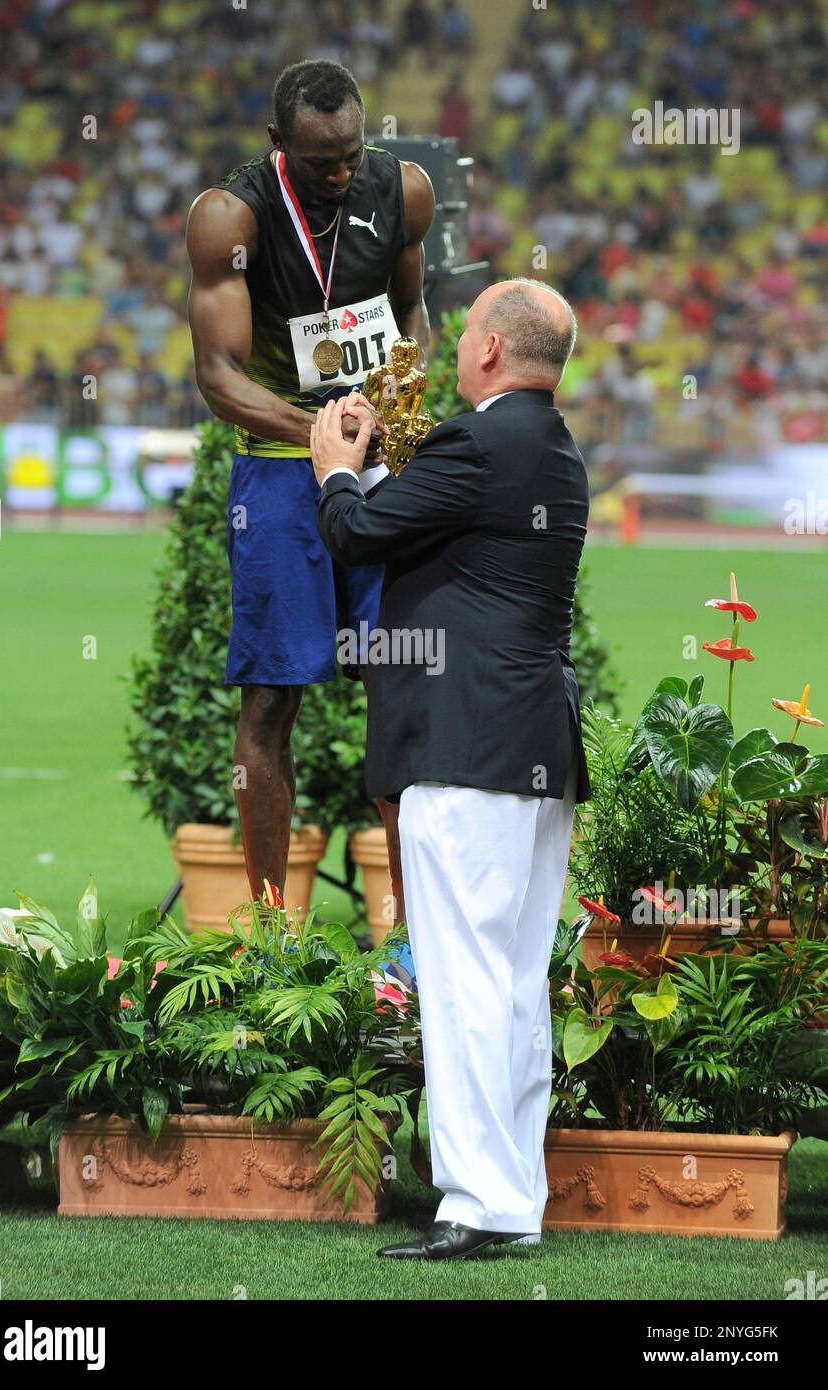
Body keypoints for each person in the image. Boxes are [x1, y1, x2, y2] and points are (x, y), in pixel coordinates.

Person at [310, 278, 592, 1261]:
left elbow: (355, 534)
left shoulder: (475, 441)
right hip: (532, 746)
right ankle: (510, 1199)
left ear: (486, 352)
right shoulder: (549, 447)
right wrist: (381, 472)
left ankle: (473, 1202)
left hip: (464, 745)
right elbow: (443, 533)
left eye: (466, 333)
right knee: (513, 981)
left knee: (468, 976)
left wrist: (334, 470)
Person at [185, 60, 435, 920]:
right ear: (277, 143)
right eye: (320, 160)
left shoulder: (404, 190)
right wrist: (320, 434)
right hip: (282, 473)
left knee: (399, 683)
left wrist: (401, 394)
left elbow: (415, 315)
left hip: (373, 470)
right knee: (270, 701)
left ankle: (410, 935)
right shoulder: (230, 217)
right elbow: (218, 377)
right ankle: (269, 936)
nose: (338, 173)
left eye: (349, 155)